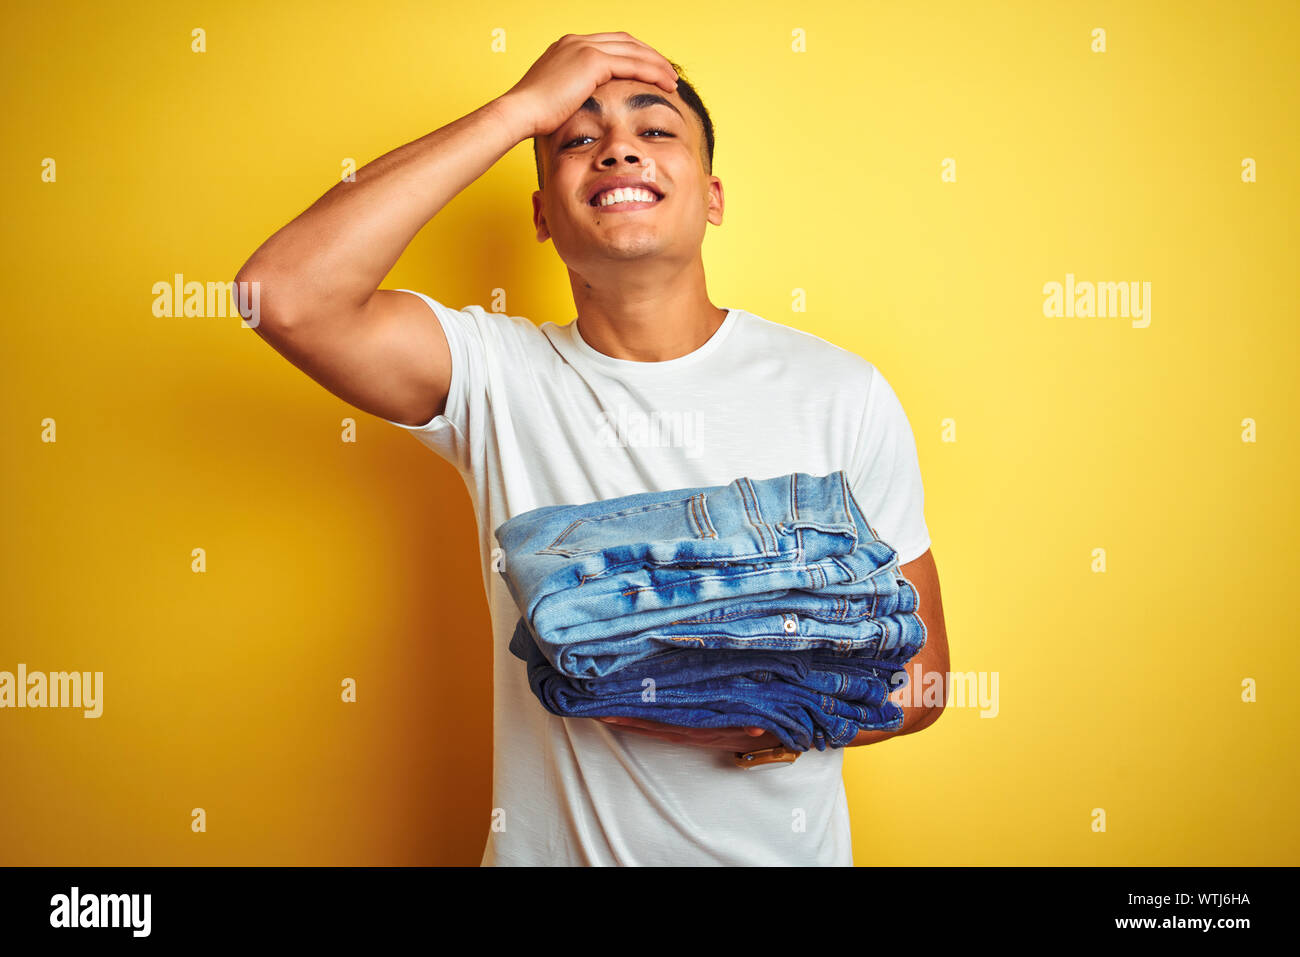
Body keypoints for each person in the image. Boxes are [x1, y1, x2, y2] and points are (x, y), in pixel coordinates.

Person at [233, 31, 950, 866]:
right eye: (577, 139)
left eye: (656, 130)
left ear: (712, 196)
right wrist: (515, 111)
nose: (618, 149)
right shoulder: (495, 375)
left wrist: (752, 705)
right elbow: (279, 294)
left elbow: (924, 675)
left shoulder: (840, 391)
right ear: (543, 213)